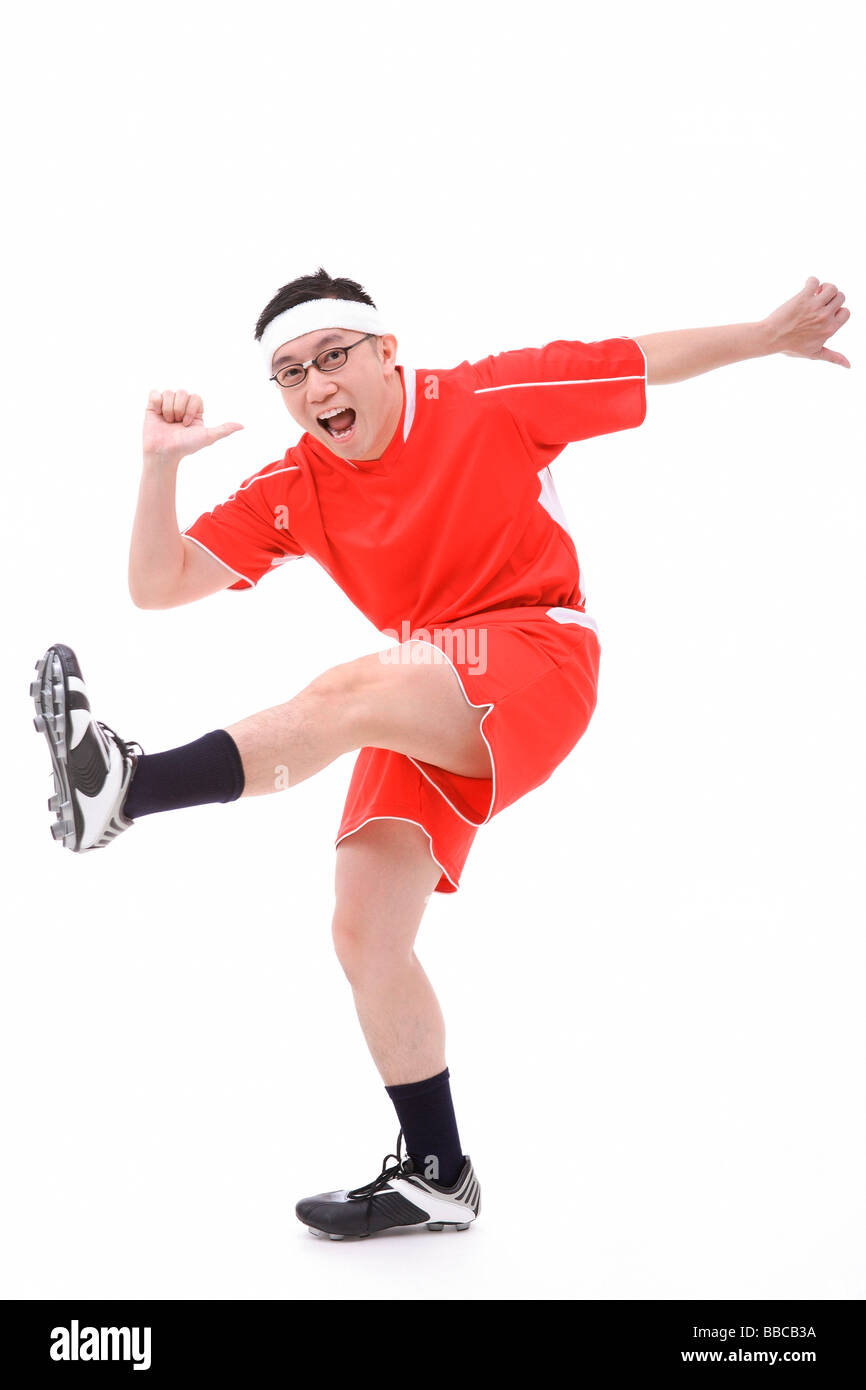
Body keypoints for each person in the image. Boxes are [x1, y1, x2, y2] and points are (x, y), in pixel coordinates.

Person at [31, 269, 850, 1240]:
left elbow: (637, 360)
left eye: (331, 356)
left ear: (385, 352)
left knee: (346, 690)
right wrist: (160, 465)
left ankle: (128, 785)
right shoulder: (295, 485)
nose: (314, 386)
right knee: (364, 932)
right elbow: (159, 584)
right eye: (289, 373)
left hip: (532, 649)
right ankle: (434, 1172)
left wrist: (764, 335)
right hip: (422, 683)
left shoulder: (485, 399)